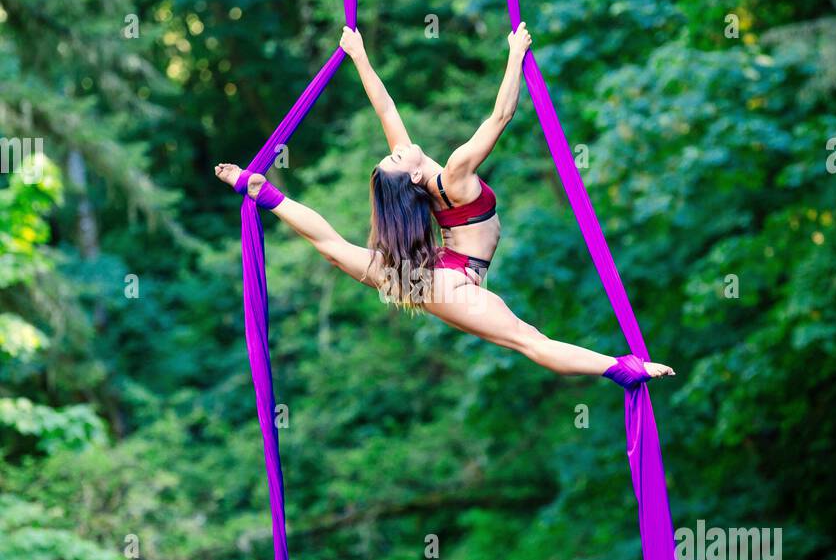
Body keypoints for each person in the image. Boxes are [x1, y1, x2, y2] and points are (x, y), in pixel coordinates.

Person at [215, 24, 674, 383]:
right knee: (527, 340)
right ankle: (623, 368)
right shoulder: (453, 174)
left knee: (335, 251)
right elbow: (501, 116)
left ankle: (261, 192)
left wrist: (358, 56)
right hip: (452, 284)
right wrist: (516, 54)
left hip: (438, 267)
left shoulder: (416, 173)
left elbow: (387, 110)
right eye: (395, 154)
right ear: (411, 174)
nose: (398, 145)